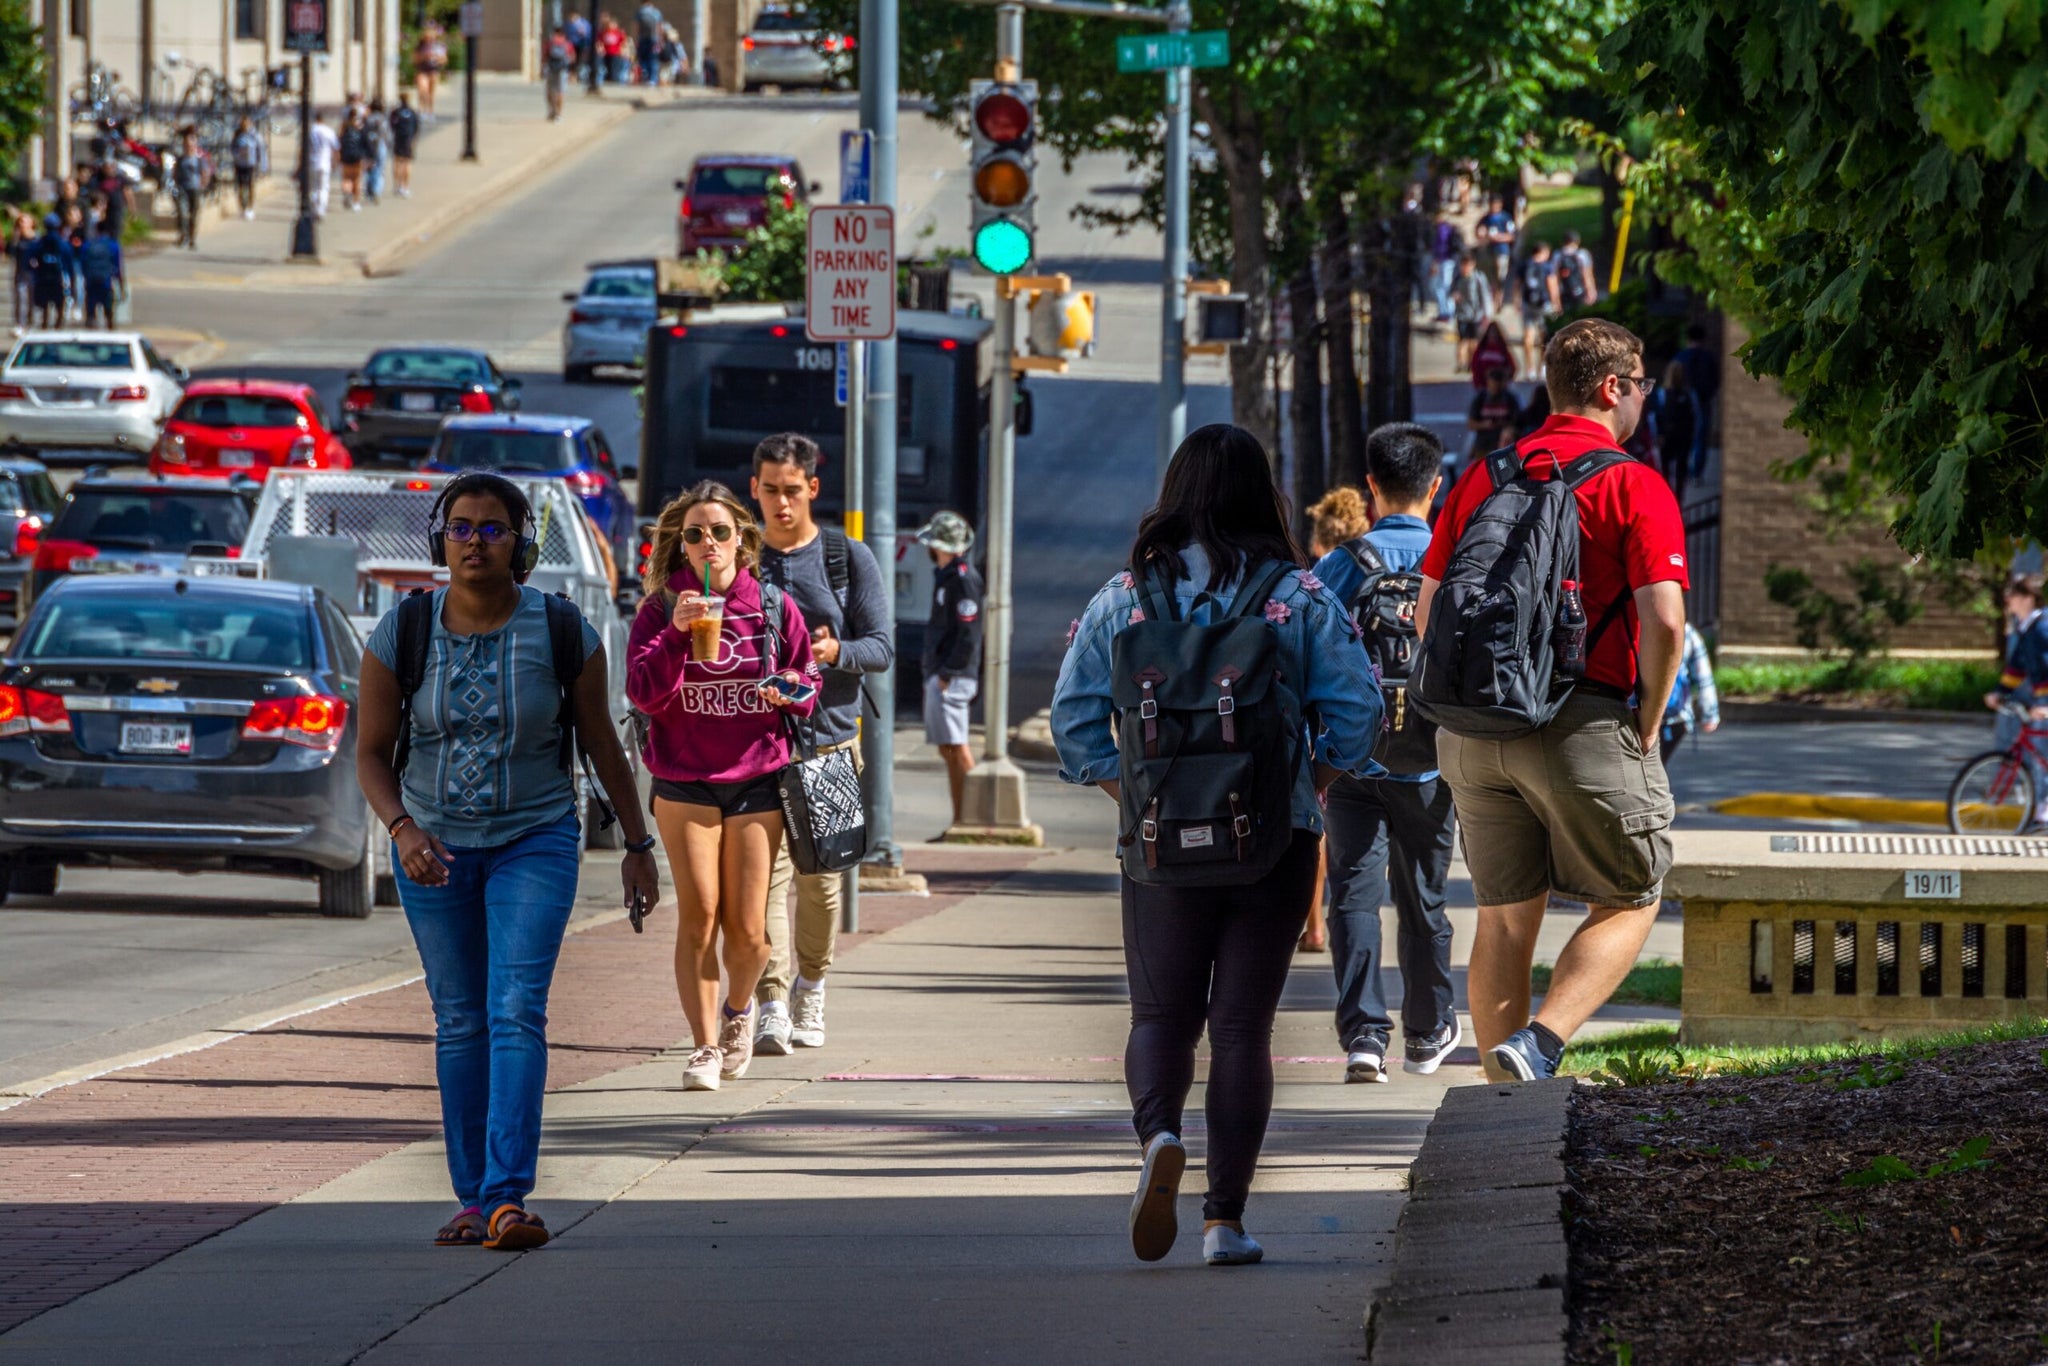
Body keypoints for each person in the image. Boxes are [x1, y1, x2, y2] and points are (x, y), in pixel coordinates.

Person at [1052, 423, 1382, 1268]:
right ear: (1261, 496)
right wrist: (1308, 786)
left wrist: (1135, 796)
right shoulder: (1300, 597)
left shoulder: (1124, 599)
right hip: (1273, 843)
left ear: (1176, 496)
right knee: (1241, 1030)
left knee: (1160, 1017)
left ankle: (1159, 1136)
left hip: (1159, 844)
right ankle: (1223, 1222)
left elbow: (1074, 722)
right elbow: (1360, 713)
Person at [357, 470, 660, 1253]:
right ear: (440, 541)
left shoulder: (561, 630)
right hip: (434, 849)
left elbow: (602, 745)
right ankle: (472, 1198)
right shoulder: (402, 631)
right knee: (459, 1018)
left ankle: (506, 1196)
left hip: (536, 838)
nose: (475, 542)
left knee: (515, 1008)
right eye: (460, 527)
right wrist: (402, 830)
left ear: (521, 545)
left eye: (493, 529)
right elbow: (370, 752)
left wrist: (637, 845)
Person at [1415, 317, 1687, 1084]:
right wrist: (1648, 719)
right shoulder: (1633, 482)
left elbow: (1428, 611)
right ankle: (1540, 1042)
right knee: (1632, 895)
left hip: (1472, 731)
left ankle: (1502, 1101)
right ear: (1613, 388)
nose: (1643, 399)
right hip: (1578, 719)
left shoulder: (1485, 475)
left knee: (1504, 917)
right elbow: (1666, 620)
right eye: (1640, 386)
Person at [629, 481, 820, 1092]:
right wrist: (676, 633)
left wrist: (784, 690)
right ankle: (704, 1045)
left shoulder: (771, 605)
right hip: (683, 779)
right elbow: (642, 693)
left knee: (748, 929)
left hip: (756, 775)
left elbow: (807, 682)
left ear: (742, 539)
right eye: (694, 534)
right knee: (700, 915)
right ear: (682, 545)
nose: (707, 542)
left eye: (718, 531)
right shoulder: (662, 608)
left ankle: (741, 1011)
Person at [1313, 424, 1460, 1084]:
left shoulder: (1340, 566)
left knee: (1352, 896)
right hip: (1432, 760)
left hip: (1352, 761)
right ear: (1436, 486)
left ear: (1370, 487)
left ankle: (1364, 1036)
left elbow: (1306, 656)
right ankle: (1427, 1031)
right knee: (1425, 897)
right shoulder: (1453, 558)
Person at [746, 434, 894, 1055]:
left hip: (828, 745)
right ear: (754, 489)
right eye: (770, 491)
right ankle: (771, 1003)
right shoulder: (740, 556)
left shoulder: (845, 557)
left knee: (822, 884)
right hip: (754, 749)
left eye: (791, 490)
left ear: (812, 488)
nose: (781, 504)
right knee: (762, 884)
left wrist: (835, 651)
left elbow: (881, 648)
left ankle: (811, 985)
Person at [1300, 485, 1374, 957]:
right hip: (1362, 727)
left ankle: (1312, 925)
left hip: (1322, 729)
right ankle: (1319, 925)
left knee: (1316, 833)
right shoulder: (1371, 568)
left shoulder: (1321, 578)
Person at [916, 511, 982, 831]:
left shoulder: (962, 579)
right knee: (948, 747)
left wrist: (947, 672)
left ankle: (970, 819)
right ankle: (961, 818)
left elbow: (968, 634)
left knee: (957, 747)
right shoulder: (948, 576)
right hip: (943, 673)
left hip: (952, 676)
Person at [1985, 574, 2048, 827]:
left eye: (2013, 594)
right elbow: (2017, 668)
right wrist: (1999, 692)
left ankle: (2044, 807)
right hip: (2041, 698)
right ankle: (2042, 807)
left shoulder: (2042, 628)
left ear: (2028, 599)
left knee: (2042, 749)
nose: (2007, 599)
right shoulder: (2027, 629)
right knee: (2038, 751)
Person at [1660, 623, 1719, 767]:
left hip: (1636, 714)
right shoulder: (1687, 631)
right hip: (1676, 716)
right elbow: (1703, 676)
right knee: (1658, 766)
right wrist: (1710, 714)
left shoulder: (1636, 624)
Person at [1672, 322, 1720, 482]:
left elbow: (1673, 379)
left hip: (1683, 403)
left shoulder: (1681, 357)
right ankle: (1697, 473)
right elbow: (1716, 381)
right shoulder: (1709, 357)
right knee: (1700, 437)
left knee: (1683, 437)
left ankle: (1683, 470)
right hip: (1703, 401)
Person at [1653, 360, 1698, 506]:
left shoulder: (1686, 393)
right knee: (1671, 469)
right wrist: (1659, 434)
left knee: (1676, 470)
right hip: (1672, 436)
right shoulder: (1665, 393)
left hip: (1678, 436)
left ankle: (1675, 499)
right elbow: (1658, 416)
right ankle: (1672, 498)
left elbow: (1693, 416)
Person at [1517, 240, 1560, 379]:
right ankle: (1541, 367)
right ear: (1543, 252)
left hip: (1528, 304)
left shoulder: (1524, 265)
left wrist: (1517, 301)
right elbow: (1552, 285)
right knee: (1544, 336)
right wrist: (1556, 303)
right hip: (1544, 305)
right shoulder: (1547, 266)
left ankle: (1529, 369)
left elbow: (1517, 285)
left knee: (1528, 337)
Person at [1466, 366, 1522, 468]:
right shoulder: (1480, 398)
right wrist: (1485, 425)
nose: (1496, 388)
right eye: (1493, 385)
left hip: (1503, 447)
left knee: (1502, 471)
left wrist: (1503, 426)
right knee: (1482, 470)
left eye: (1499, 385)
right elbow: (1471, 423)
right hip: (1483, 445)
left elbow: (1517, 423)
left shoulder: (1511, 399)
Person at [25, 213, 74, 327]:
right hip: (58, 277)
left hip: (43, 276)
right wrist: (70, 277)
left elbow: (29, 259)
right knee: (59, 300)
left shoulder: (39, 243)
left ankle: (45, 320)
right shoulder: (63, 243)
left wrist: (34, 270)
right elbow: (69, 263)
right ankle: (59, 320)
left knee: (44, 300)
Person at [1450, 252, 1494, 369]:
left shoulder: (1478, 278)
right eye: (1463, 265)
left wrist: (1487, 314)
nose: (1465, 268)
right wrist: (1454, 296)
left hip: (1476, 315)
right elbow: (1451, 291)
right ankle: (1461, 364)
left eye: (1468, 265)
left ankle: (1472, 363)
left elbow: (1485, 296)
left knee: (1474, 342)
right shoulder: (1457, 278)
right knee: (1462, 340)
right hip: (1462, 315)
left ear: (1473, 265)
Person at [168, 130, 210, 251]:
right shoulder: (181, 159)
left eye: (191, 144)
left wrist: (203, 185)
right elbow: (175, 173)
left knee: (194, 215)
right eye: (186, 144)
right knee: (182, 213)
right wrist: (175, 184)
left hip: (195, 189)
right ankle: (183, 235)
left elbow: (205, 173)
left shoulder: (199, 159)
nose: (189, 146)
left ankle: (192, 238)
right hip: (183, 189)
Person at [78, 219, 123, 330]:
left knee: (91, 303)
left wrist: (86, 276)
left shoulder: (88, 245)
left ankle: (91, 321)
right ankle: (109, 322)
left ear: (96, 230)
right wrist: (120, 283)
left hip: (91, 281)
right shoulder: (113, 245)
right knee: (108, 304)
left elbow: (82, 263)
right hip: (106, 281)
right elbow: (117, 266)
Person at [1428, 213, 1464, 324]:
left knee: (1443, 287)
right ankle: (1445, 312)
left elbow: (1441, 247)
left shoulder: (1442, 229)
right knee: (1442, 287)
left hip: (1445, 261)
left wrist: (1436, 261)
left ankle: (1447, 313)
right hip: (1448, 261)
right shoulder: (1446, 228)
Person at [1477, 195, 1517, 289]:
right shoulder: (1485, 219)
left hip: (1502, 251)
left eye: (1495, 204)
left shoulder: (1506, 218)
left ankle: (1500, 295)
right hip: (1488, 251)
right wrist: (1481, 234)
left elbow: (1511, 236)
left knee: (1501, 277)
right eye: (1491, 204)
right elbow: (1479, 232)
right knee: (1488, 276)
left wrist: (1498, 237)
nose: (1493, 206)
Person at [230, 117, 265, 219]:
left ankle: (250, 207)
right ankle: (243, 207)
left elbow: (259, 149)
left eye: (247, 124)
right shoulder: (237, 135)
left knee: (250, 186)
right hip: (240, 164)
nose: (245, 126)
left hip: (250, 164)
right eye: (243, 124)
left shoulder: (254, 135)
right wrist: (239, 153)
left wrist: (260, 163)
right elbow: (232, 148)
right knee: (241, 186)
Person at [1554, 230, 1597, 312]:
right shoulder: (1582, 254)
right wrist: (1591, 290)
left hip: (1564, 293)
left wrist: (1555, 299)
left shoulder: (1557, 255)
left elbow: (1554, 277)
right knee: (1581, 315)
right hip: (1580, 291)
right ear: (1578, 241)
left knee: (1566, 316)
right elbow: (1587, 274)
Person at [306, 114, 338, 219]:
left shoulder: (311, 131)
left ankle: (314, 207)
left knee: (314, 187)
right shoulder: (328, 131)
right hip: (325, 163)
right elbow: (336, 147)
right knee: (324, 187)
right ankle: (321, 209)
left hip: (312, 162)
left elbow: (303, 149)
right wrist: (335, 162)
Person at [338, 108, 369, 212]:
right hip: (357, 157)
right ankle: (356, 203)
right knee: (357, 179)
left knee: (346, 178)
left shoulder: (344, 128)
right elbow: (365, 143)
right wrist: (367, 157)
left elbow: (339, 142)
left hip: (345, 157)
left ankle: (347, 192)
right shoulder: (360, 128)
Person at [389, 94, 420, 198]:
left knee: (397, 161)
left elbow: (391, 125)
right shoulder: (412, 112)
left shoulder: (396, 112)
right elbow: (416, 127)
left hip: (398, 138)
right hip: (408, 139)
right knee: (407, 162)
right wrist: (414, 139)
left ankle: (397, 185)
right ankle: (405, 186)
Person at [414, 26, 448, 117]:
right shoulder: (420, 47)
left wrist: (436, 58)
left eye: (431, 38)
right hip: (422, 70)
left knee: (431, 92)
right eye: (427, 38)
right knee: (422, 90)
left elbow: (444, 60)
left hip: (433, 70)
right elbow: (415, 60)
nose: (429, 40)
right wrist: (424, 57)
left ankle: (430, 111)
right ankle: (421, 110)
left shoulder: (439, 47)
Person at [544, 26, 576, 119]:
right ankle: (559, 114)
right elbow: (573, 57)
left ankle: (552, 110)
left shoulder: (550, 43)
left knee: (550, 90)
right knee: (561, 91)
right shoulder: (567, 44)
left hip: (551, 69)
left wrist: (544, 67)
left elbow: (545, 56)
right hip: (562, 70)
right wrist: (571, 71)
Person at [364, 98, 391, 203]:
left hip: (369, 145)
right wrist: (389, 145)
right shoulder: (383, 119)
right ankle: (377, 190)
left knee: (369, 168)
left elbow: (364, 132)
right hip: (381, 144)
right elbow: (387, 134)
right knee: (380, 168)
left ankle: (369, 189)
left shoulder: (368, 119)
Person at [635, 0, 664, 84]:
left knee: (643, 58)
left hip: (642, 38)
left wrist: (636, 38)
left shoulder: (640, 12)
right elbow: (659, 27)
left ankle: (645, 76)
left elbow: (636, 26)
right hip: (654, 39)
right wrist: (660, 39)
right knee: (653, 58)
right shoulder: (656, 12)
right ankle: (652, 79)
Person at [598, 17, 630, 85]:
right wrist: (600, 49)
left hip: (615, 53)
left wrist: (623, 51)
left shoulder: (618, 33)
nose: (610, 26)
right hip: (606, 53)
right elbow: (600, 42)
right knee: (606, 67)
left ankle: (614, 80)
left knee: (614, 67)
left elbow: (624, 42)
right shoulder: (604, 32)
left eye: (612, 24)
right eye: (609, 24)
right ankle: (607, 79)